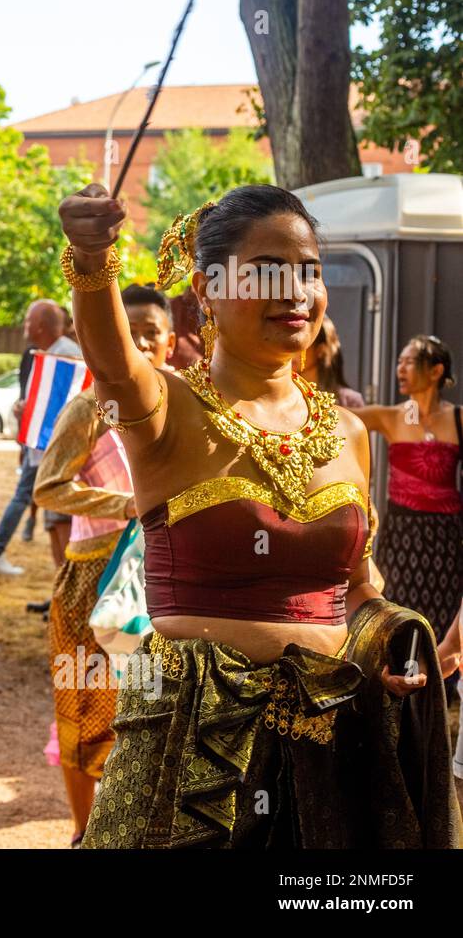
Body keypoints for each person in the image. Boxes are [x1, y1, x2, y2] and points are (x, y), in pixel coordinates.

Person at [59, 181, 459, 847]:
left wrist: (393, 645)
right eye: (267, 271)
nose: (295, 289)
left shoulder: (348, 432)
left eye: (309, 269)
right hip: (192, 758)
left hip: (333, 749)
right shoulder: (166, 409)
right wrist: (92, 257)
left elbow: (358, 589)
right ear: (209, 288)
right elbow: (113, 361)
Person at [32, 283, 175, 845]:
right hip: (95, 584)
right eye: (126, 330)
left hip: (165, 583)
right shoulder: (89, 407)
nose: (138, 342)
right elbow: (48, 487)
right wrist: (127, 507)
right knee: (85, 711)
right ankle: (83, 832)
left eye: (150, 333)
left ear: (171, 342)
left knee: (152, 709)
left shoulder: (181, 405)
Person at [352, 335, 462, 645]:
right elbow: (336, 418)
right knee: (399, 615)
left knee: (443, 612)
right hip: (402, 534)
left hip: (446, 536)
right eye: (398, 362)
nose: (400, 369)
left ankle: (441, 684)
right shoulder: (389, 416)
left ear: (436, 370)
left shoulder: (458, 419)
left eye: (408, 362)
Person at [0, 299, 81, 578]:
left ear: (39, 326)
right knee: (35, 502)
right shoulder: (41, 353)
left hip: (53, 450)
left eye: (27, 321)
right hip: (40, 447)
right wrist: (23, 408)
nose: (24, 327)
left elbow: (68, 406)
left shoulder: (67, 356)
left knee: (39, 504)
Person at [295, 315, 364, 408]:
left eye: (301, 345)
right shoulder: (285, 395)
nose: (292, 352)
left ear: (321, 350)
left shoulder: (349, 400)